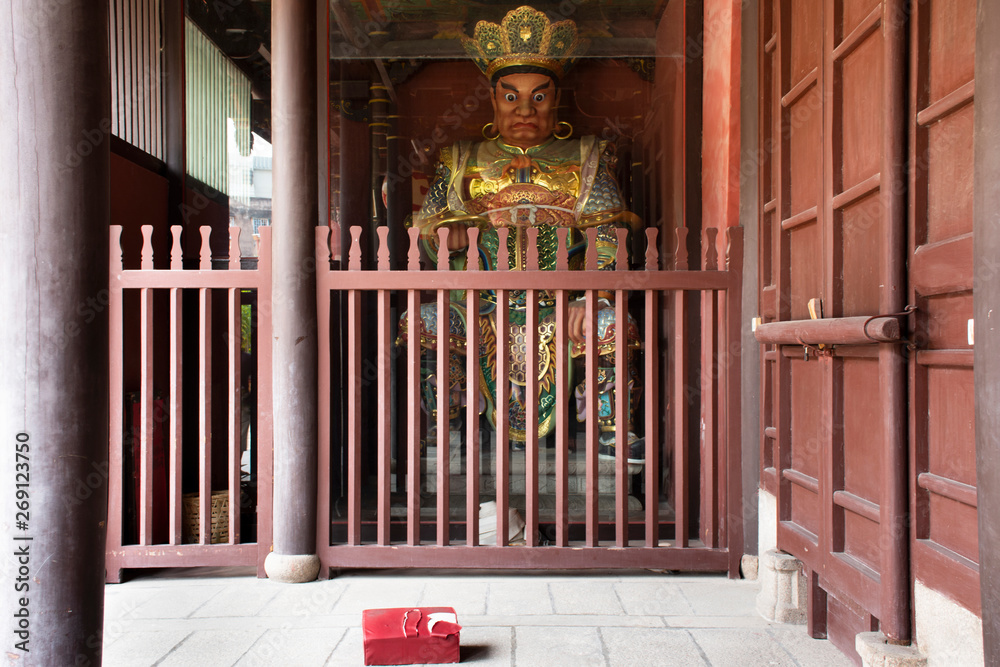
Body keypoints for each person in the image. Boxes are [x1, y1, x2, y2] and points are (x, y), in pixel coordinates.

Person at [398, 5, 644, 463]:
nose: (524, 109)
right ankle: (440, 428)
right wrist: (442, 235)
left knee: (610, 325)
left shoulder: (589, 154)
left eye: (539, 97)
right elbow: (424, 227)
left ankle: (613, 431)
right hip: (476, 300)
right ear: (493, 101)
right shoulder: (460, 158)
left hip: (566, 299)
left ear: (557, 100)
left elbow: (612, 231)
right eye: (510, 97)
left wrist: (590, 294)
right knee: (425, 321)